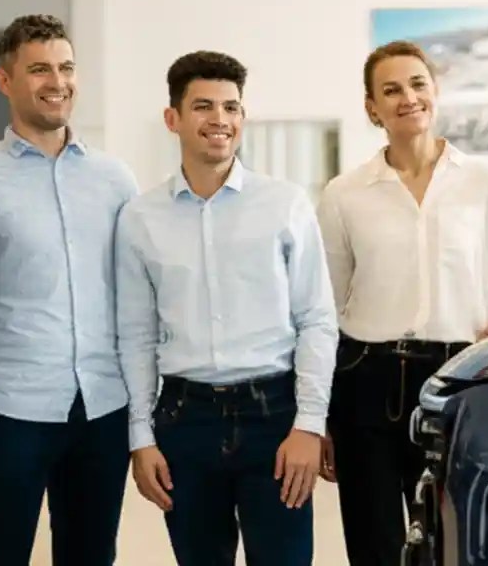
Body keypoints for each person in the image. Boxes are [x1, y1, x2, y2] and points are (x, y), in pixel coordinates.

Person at [315, 40, 488, 565]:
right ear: (372, 107)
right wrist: (319, 415)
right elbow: (323, 311)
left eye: (418, 84)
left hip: (458, 378)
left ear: (435, 92)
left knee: (455, 542)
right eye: (390, 90)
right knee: (374, 545)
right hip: (364, 380)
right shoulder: (344, 194)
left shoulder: (487, 184)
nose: (407, 98)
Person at [0, 14, 139, 565]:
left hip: (103, 408)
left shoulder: (116, 180)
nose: (57, 82)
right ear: (6, 82)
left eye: (66, 68)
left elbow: (138, 300)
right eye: (40, 69)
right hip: (7, 412)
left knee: (92, 556)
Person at [116, 50, 338, 566]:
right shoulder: (140, 218)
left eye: (232, 107)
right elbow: (135, 335)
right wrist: (140, 438)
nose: (220, 119)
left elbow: (317, 320)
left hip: (275, 418)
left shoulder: (285, 204)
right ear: (172, 118)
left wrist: (309, 424)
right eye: (203, 106)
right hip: (183, 421)